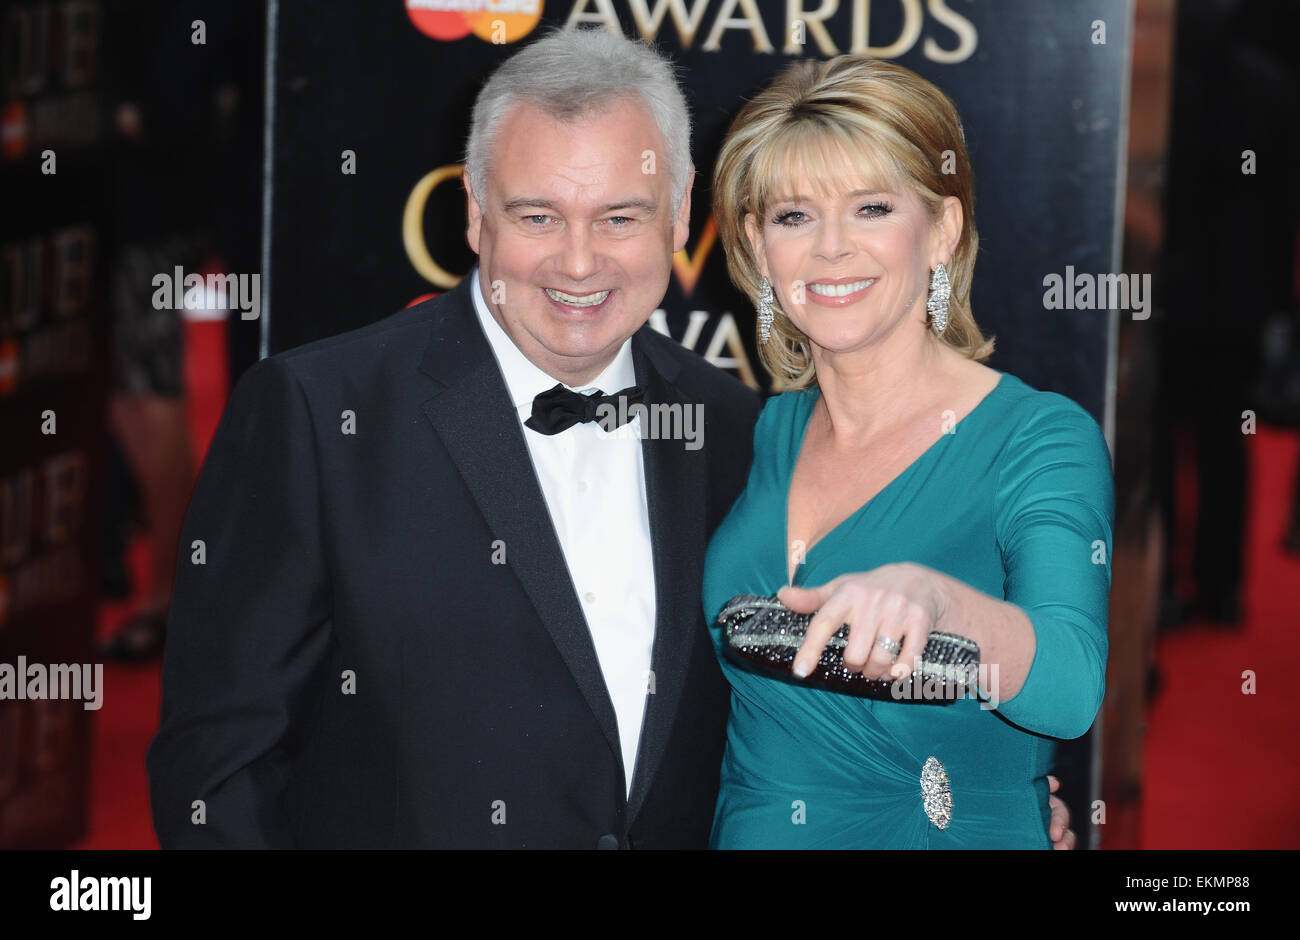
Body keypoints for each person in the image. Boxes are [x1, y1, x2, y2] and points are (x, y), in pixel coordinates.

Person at [148, 28, 1075, 849]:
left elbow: (822, 703)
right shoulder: (315, 414)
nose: (579, 263)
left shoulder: (741, 431)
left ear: (678, 220)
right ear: (475, 214)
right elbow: (218, 766)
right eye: (537, 216)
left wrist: (999, 806)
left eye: (620, 219)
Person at [702, 55, 1113, 848]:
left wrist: (938, 600)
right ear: (756, 247)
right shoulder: (756, 434)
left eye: (871, 208)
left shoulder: (1037, 437)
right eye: (793, 216)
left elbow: (1069, 687)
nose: (830, 248)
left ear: (943, 230)